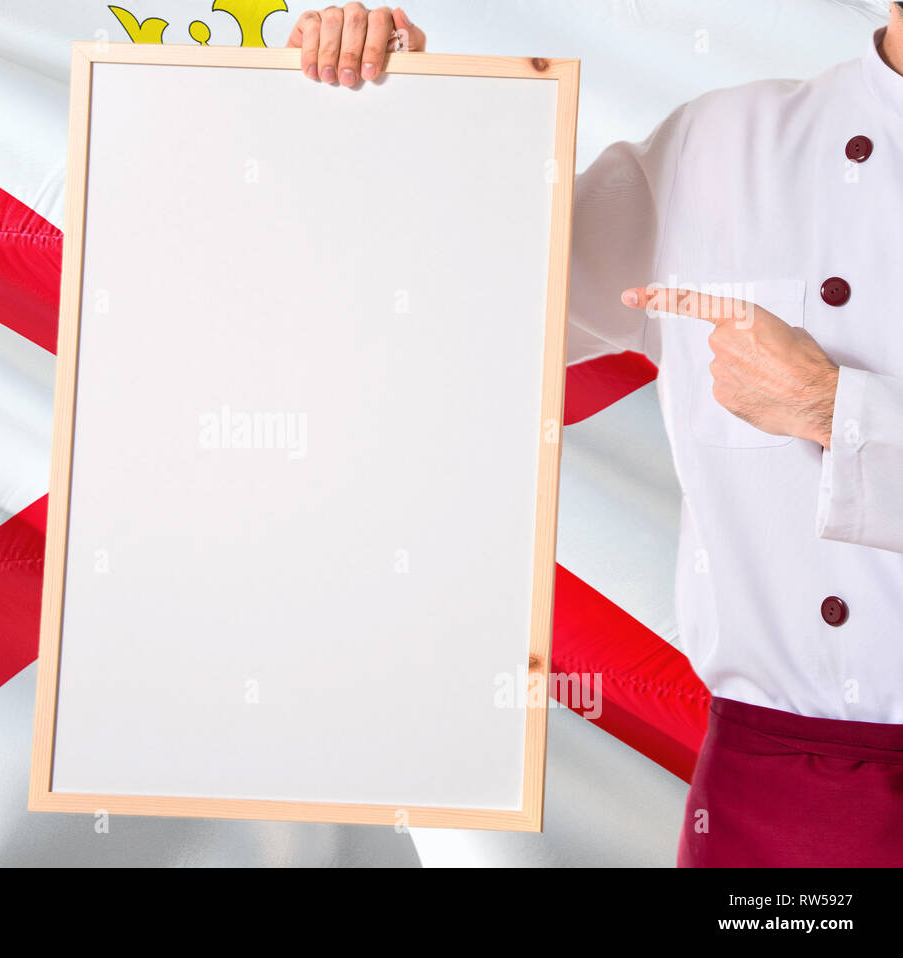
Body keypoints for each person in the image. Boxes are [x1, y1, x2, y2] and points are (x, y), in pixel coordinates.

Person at [288, 3, 903, 867]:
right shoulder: (716, 146)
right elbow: (473, 315)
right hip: (769, 803)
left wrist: (833, 411)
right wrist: (400, 110)